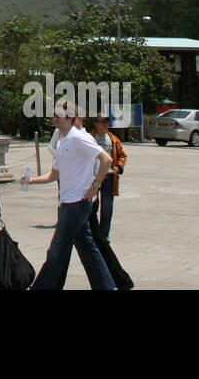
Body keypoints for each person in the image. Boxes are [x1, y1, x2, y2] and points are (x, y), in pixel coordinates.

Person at [25, 101, 115, 290]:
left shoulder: (78, 138)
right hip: (68, 203)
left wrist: (95, 185)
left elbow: (106, 160)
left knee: (56, 252)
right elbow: (54, 174)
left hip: (76, 204)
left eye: (59, 115)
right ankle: (108, 287)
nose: (55, 119)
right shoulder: (61, 140)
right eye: (54, 115)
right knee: (88, 249)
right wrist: (32, 180)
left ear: (71, 118)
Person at [91, 114, 126, 240]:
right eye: (102, 122)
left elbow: (122, 155)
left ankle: (104, 235)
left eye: (106, 122)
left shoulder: (113, 140)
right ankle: (93, 233)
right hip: (93, 177)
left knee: (107, 208)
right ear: (96, 123)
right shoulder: (89, 138)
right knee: (92, 206)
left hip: (109, 177)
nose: (105, 124)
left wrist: (119, 167)